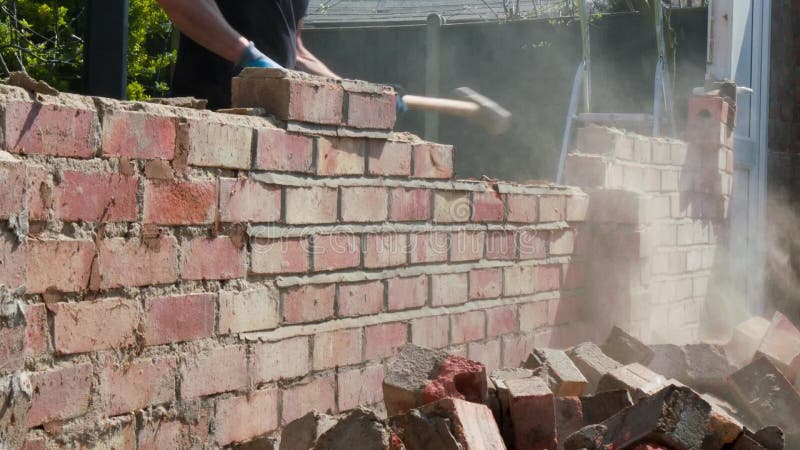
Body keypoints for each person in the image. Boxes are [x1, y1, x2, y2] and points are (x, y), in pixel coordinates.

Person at [156, 0, 339, 109]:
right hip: (213, 114)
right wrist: (249, 56)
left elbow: (296, 51)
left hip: (273, 117)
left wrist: (345, 89)